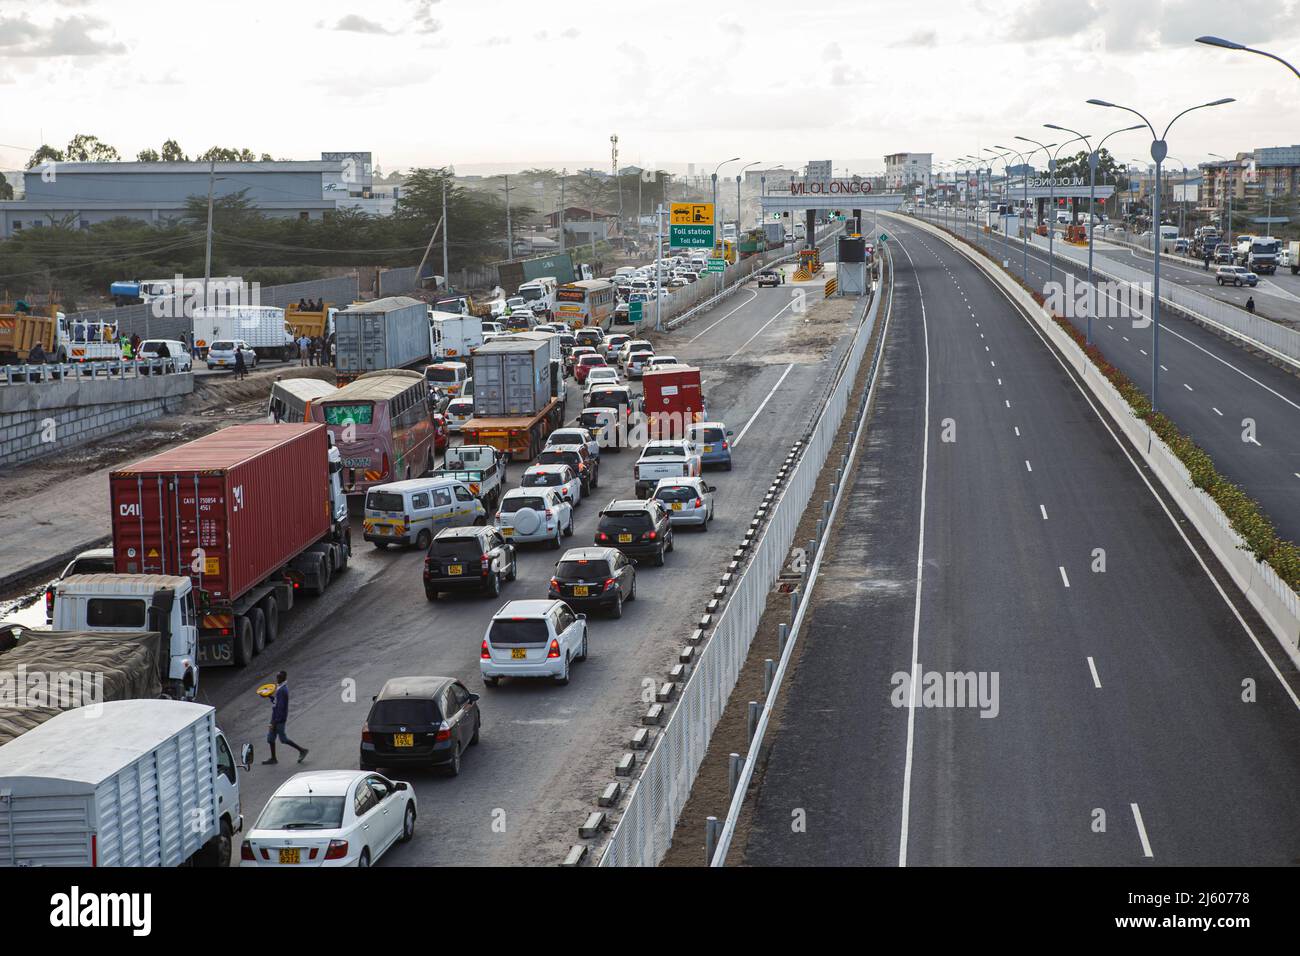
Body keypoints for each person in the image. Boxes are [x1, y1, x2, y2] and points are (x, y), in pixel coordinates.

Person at [262, 670, 308, 765]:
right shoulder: (281, 688)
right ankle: (273, 758)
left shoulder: (282, 690)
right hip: (275, 717)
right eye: (277, 677)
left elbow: (280, 708)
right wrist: (270, 696)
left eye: (279, 677)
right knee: (270, 738)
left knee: (283, 739)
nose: (277, 679)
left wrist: (274, 723)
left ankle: (302, 750)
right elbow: (277, 702)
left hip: (279, 719)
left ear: (283, 678)